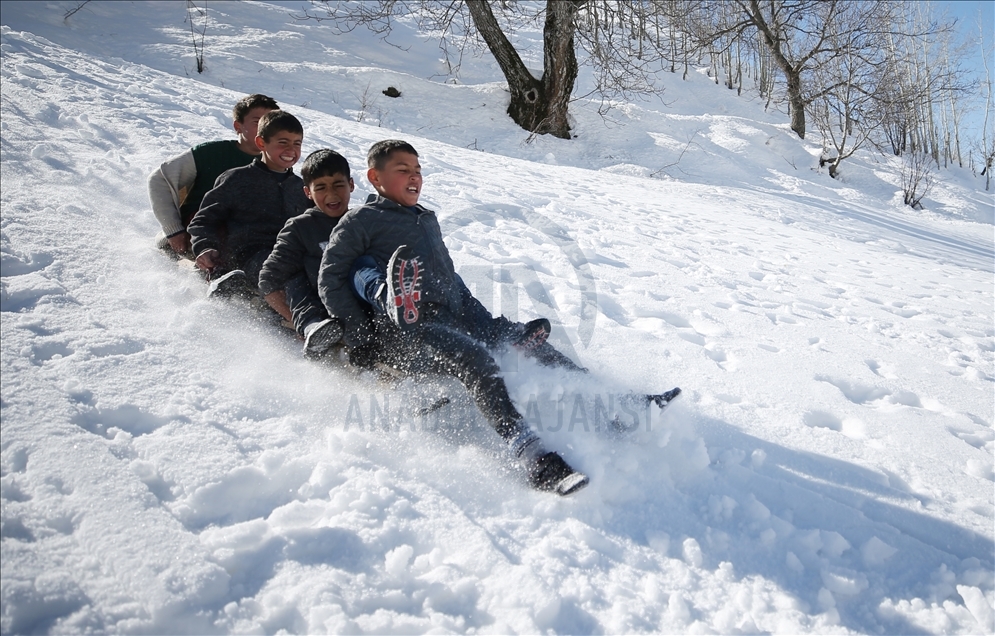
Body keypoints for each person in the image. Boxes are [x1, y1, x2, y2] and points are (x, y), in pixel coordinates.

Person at [317, 140, 590, 496]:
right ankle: (536, 460)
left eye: (417, 170)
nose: (414, 177)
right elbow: (331, 278)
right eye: (403, 170)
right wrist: (361, 338)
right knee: (476, 358)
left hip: (450, 320)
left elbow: (452, 286)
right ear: (375, 178)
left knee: (527, 345)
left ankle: (616, 403)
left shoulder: (424, 219)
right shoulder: (361, 220)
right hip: (406, 334)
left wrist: (494, 328)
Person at [187, 110, 311, 298]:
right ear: (261, 143)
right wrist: (205, 247)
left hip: (290, 255)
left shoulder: (300, 188)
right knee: (284, 270)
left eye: (297, 144)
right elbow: (205, 220)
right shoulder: (237, 179)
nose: (291, 150)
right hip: (247, 256)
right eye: (283, 143)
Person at [147, 94, 279, 257]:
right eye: (257, 122)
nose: (266, 128)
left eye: (272, 123)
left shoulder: (276, 163)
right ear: (238, 126)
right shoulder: (211, 154)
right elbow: (159, 180)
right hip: (201, 233)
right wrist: (174, 231)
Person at [257, 149, 354, 358]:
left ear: (351, 185)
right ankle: (314, 329)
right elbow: (269, 279)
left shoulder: (360, 222)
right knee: (297, 279)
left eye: (339, 185)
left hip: (355, 300)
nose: (332, 194)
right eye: (321, 187)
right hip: (318, 304)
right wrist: (294, 320)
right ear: (307, 193)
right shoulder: (301, 227)